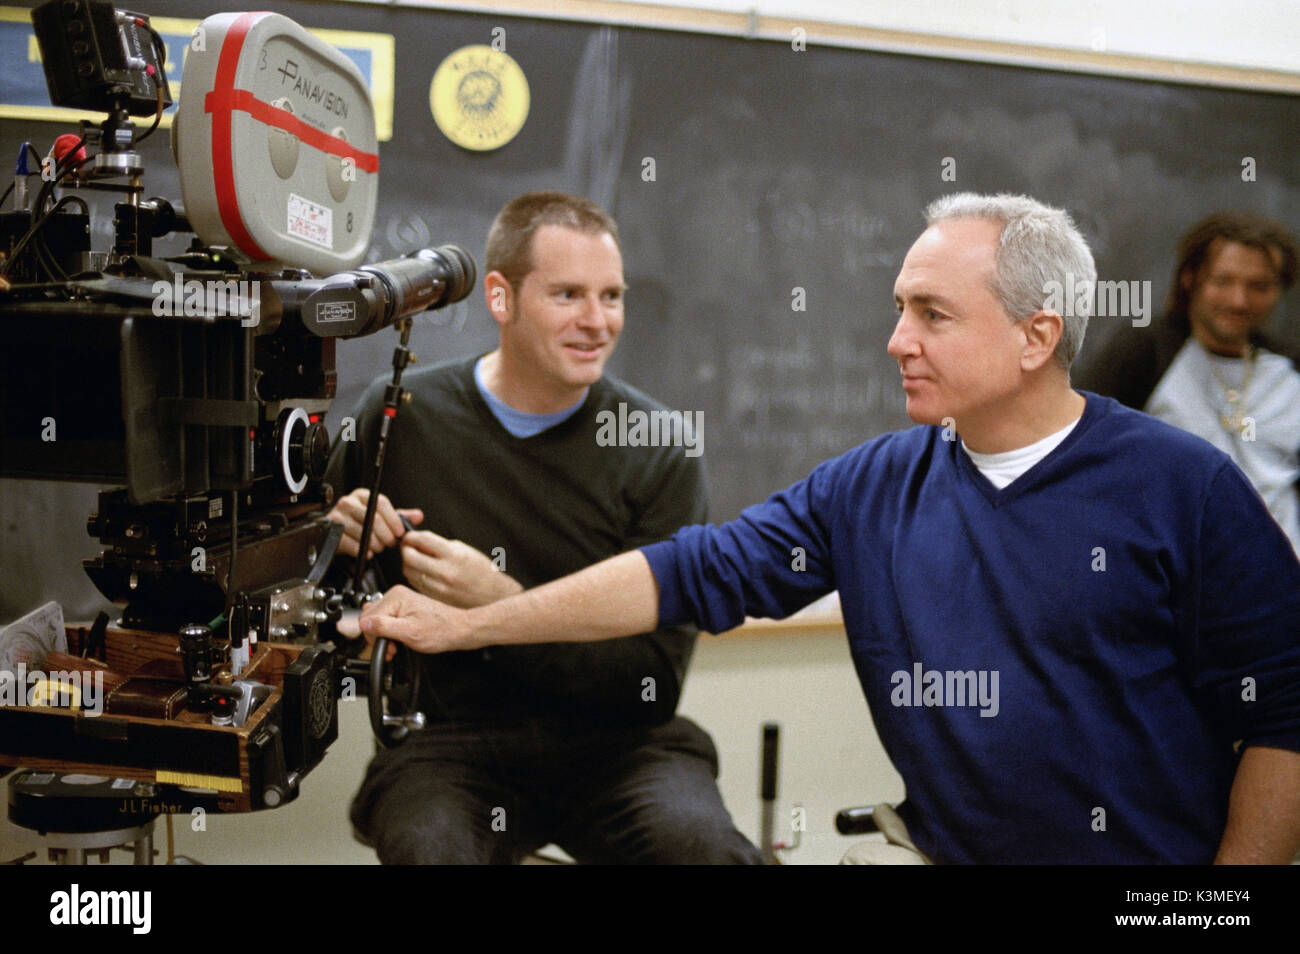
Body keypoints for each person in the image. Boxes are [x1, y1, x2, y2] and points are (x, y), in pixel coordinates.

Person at [358, 193, 1300, 865]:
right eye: (899, 309)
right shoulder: (875, 486)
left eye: (932, 314)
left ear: (1035, 337)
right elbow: (689, 572)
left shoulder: (1186, 488)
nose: (897, 340)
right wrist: (473, 623)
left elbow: (1286, 717)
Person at [326, 190, 761, 864]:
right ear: (500, 299)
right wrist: (334, 535)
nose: (597, 322)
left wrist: (497, 602)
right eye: (567, 295)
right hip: (453, 742)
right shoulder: (399, 415)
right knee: (428, 848)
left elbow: (649, 681)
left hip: (621, 744)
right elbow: (316, 598)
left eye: (611, 296)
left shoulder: (658, 448)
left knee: (706, 851)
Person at [1076, 212, 1300, 556]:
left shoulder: (1290, 370)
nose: (1239, 300)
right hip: (1170, 581)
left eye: (1259, 286)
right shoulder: (1146, 352)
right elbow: (1079, 454)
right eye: (1223, 281)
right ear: (1190, 278)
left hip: (1279, 587)